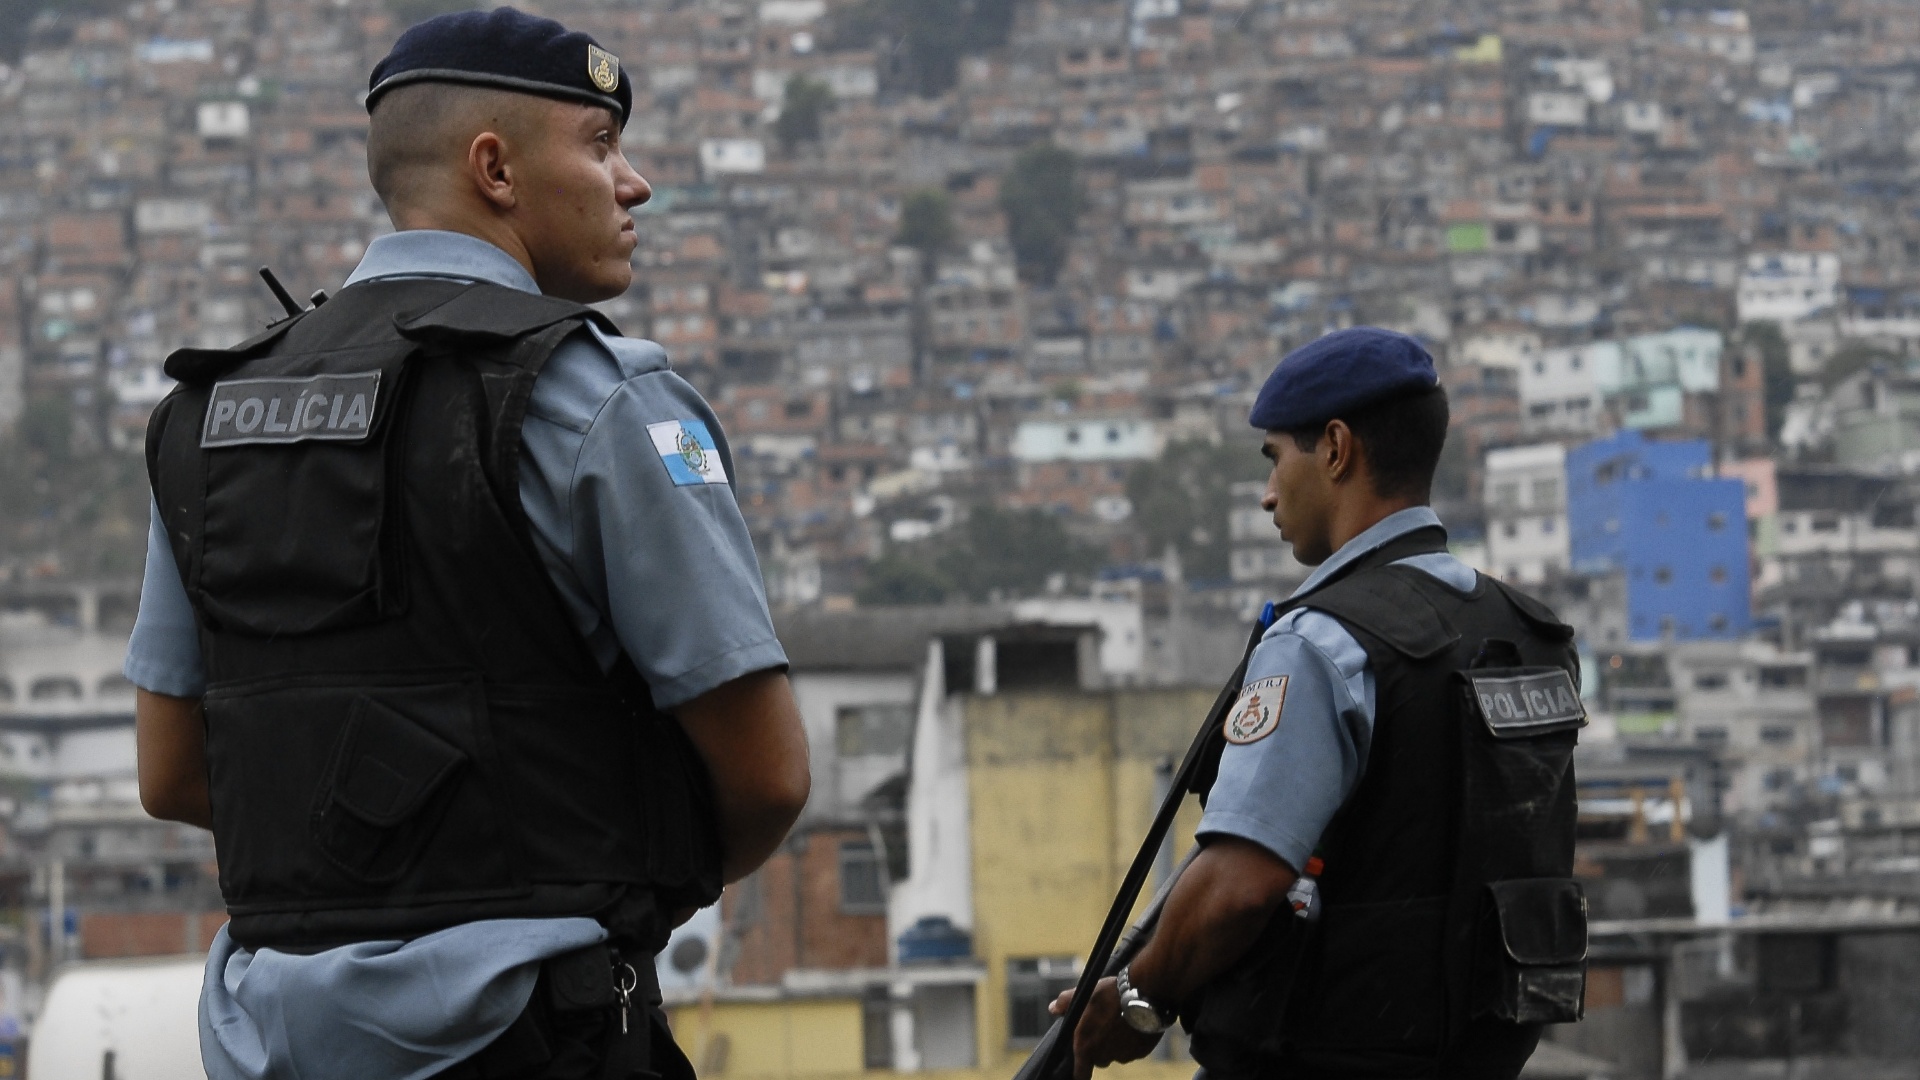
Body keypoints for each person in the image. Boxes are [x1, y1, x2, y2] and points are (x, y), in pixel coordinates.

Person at [125, 9, 810, 1079]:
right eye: (600, 145)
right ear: (495, 167)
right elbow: (768, 774)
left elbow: (172, 774)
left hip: (269, 1040)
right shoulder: (596, 398)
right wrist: (584, 867)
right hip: (537, 1032)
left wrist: (370, 857)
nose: (634, 184)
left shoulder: (207, 415)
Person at [1052, 328, 1587, 1079]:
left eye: (1276, 459)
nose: (1269, 493)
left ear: (1335, 449)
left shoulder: (1323, 642)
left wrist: (1140, 996)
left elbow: (1242, 885)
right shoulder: (1524, 635)